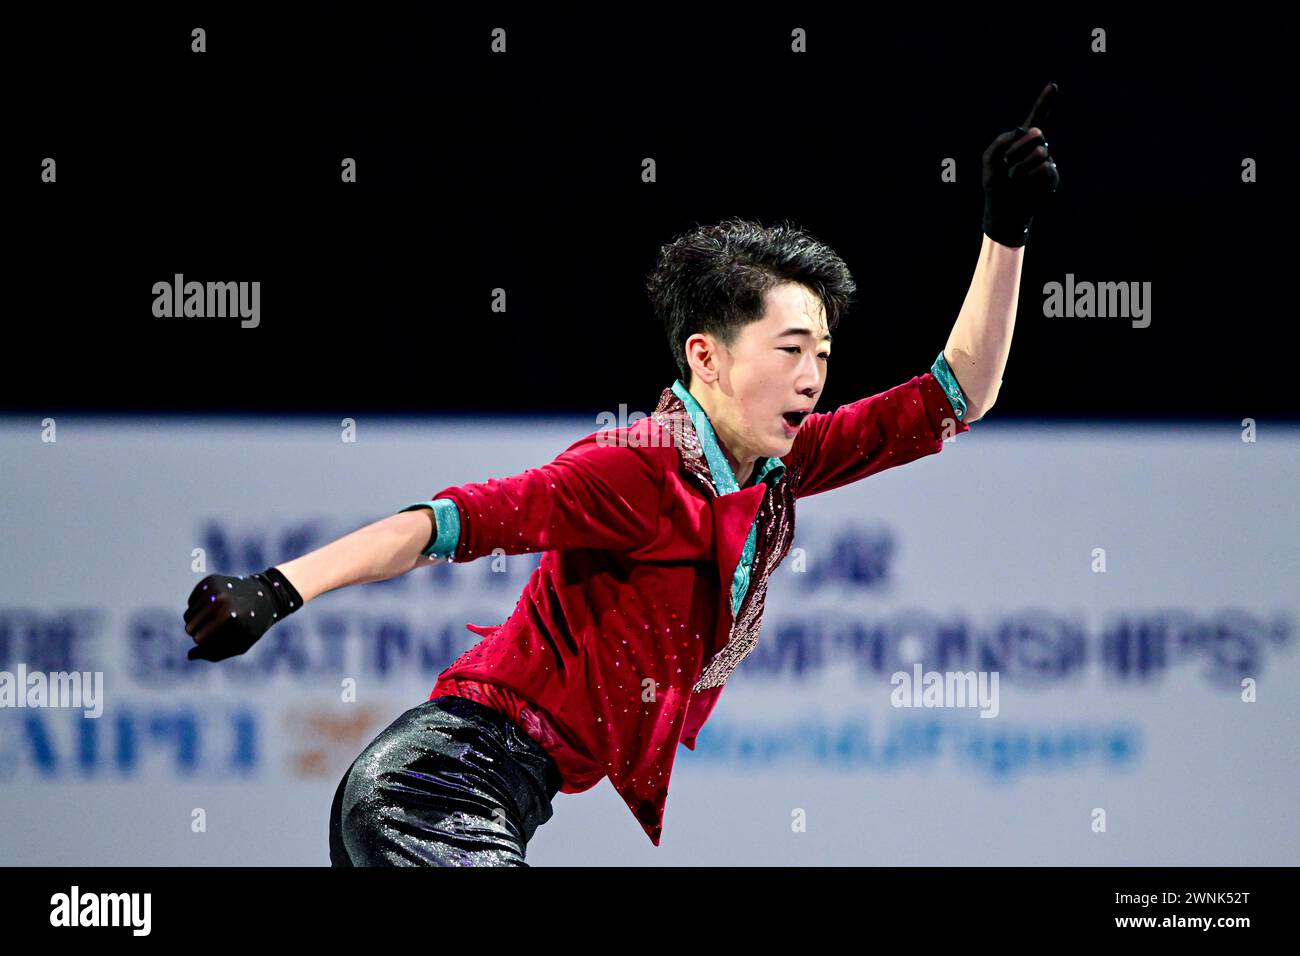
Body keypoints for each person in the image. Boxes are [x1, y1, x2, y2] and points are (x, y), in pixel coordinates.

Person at [183, 83, 1060, 866]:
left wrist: (1003, 232)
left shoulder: (783, 466)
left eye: (823, 354)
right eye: (790, 349)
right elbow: (445, 524)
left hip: (497, 803)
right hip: (432, 792)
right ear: (704, 358)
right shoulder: (631, 469)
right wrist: (277, 587)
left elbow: (957, 394)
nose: (813, 376)